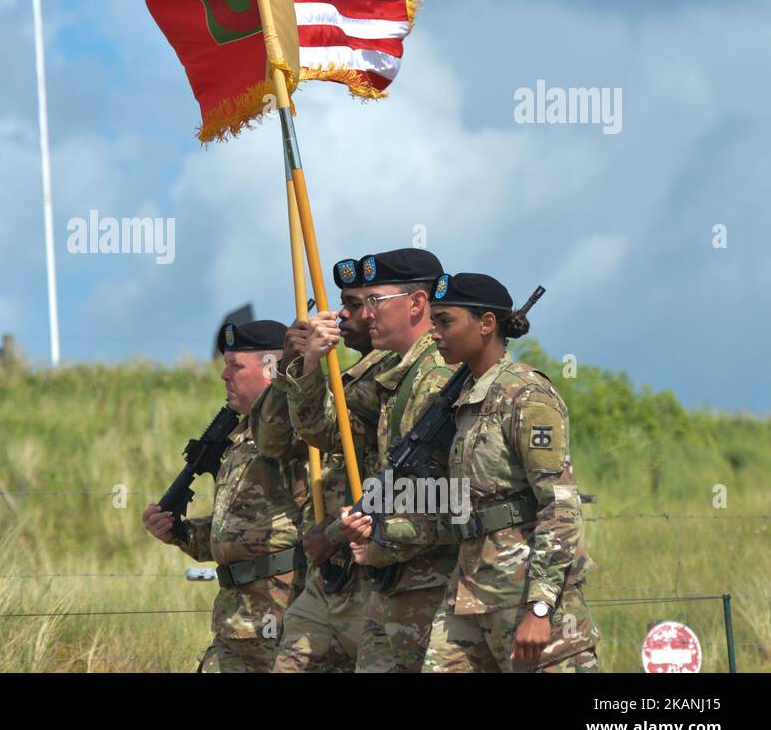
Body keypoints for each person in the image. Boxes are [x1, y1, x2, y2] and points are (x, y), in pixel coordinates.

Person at [412, 273, 599, 671]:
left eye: (445, 321)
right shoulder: (465, 401)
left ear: (486, 324)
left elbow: (560, 506)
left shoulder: (525, 395)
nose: (435, 334)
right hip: (469, 591)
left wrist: (540, 607)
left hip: (523, 593)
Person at [252, 257, 397, 672]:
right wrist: (296, 363)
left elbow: (330, 435)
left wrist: (333, 534)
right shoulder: (349, 375)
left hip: (378, 564)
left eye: (358, 304)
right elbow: (273, 440)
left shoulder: (408, 376)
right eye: (346, 304)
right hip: (335, 570)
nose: (343, 315)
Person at [143, 320, 311, 672]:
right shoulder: (239, 440)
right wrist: (181, 533)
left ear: (271, 369)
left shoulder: (299, 432)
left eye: (235, 366)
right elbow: (235, 532)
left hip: (283, 616)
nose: (224, 375)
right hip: (237, 620)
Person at [331, 249, 461, 673]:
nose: (366, 315)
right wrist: (304, 365)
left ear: (416, 303)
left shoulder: (439, 377)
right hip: (392, 583)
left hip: (432, 588)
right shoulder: (393, 371)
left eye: (375, 302)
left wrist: (381, 532)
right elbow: (326, 433)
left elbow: (459, 499)